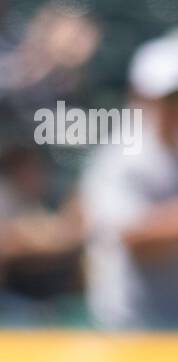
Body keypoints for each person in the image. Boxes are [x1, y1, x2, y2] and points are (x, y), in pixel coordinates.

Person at [81, 30, 178, 330]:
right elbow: (133, 238)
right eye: (173, 97)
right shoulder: (121, 157)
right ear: (144, 97)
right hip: (131, 334)